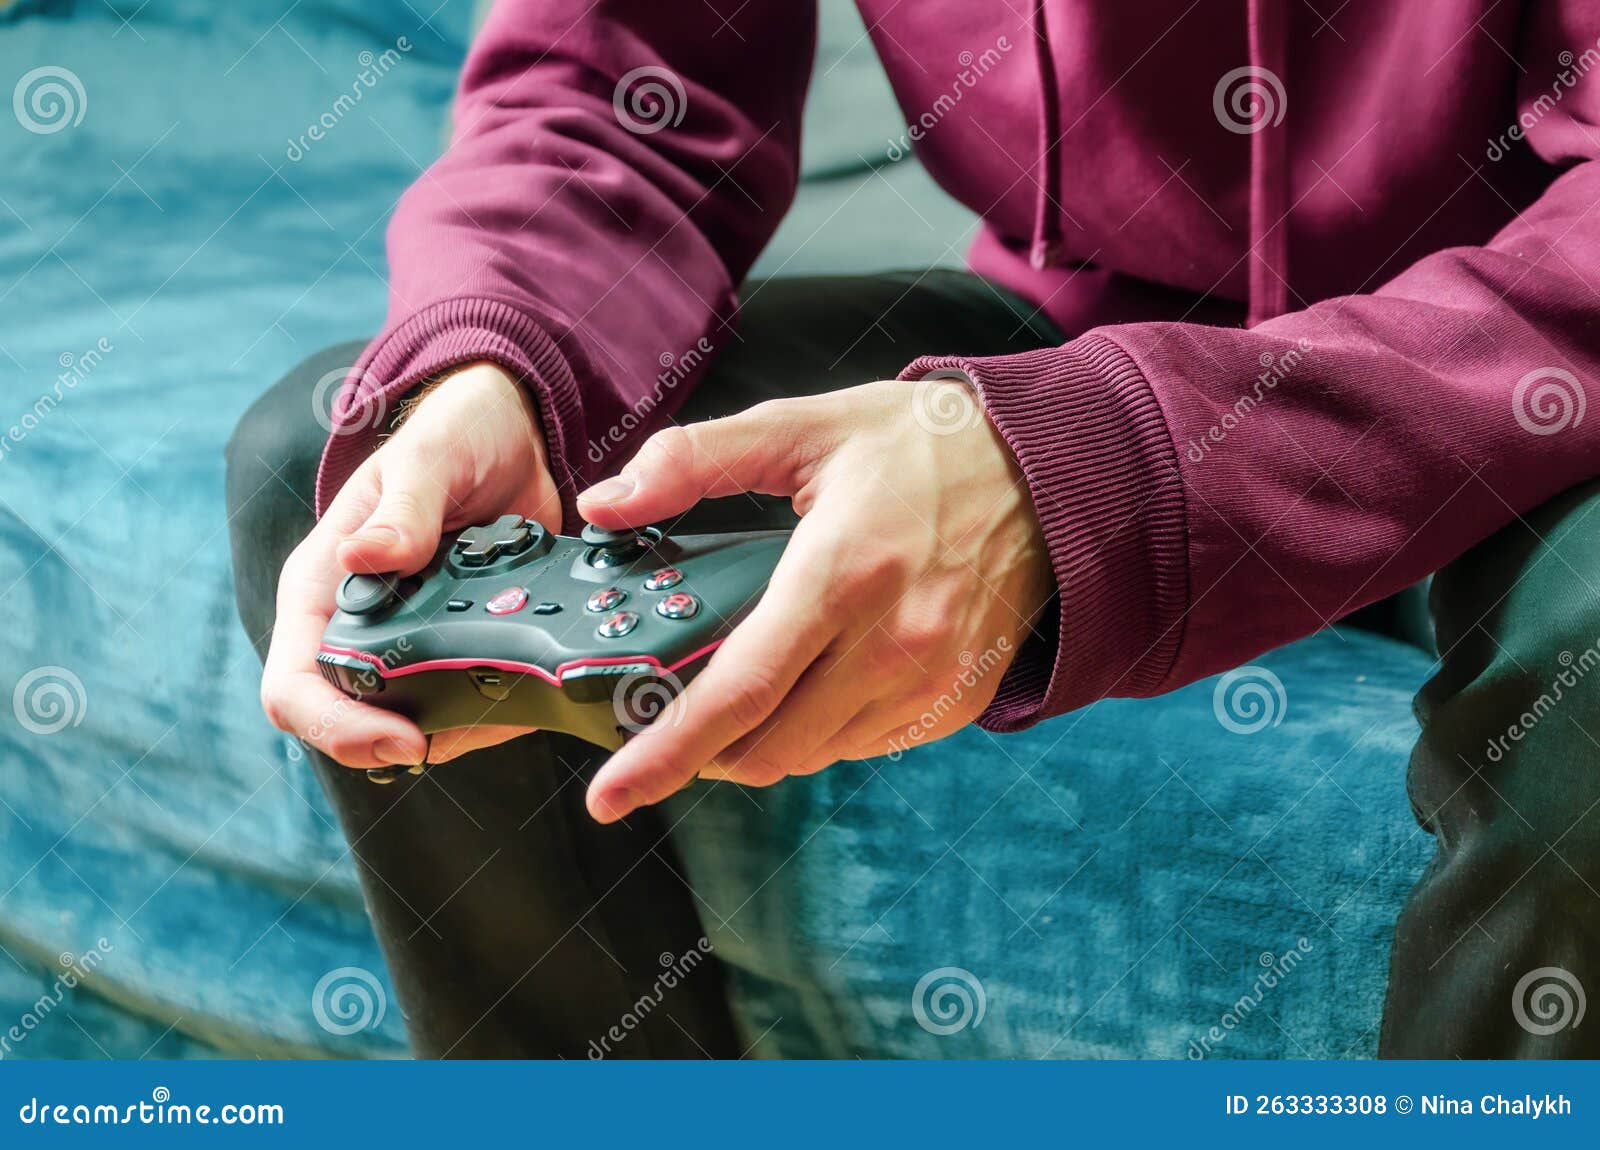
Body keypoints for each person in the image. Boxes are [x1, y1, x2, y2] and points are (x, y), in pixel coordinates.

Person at [227, 0, 1600, 1058]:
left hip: (1534, 386)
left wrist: (1103, 465)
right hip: (1101, 321)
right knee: (342, 486)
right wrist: (495, 359)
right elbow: (615, 80)